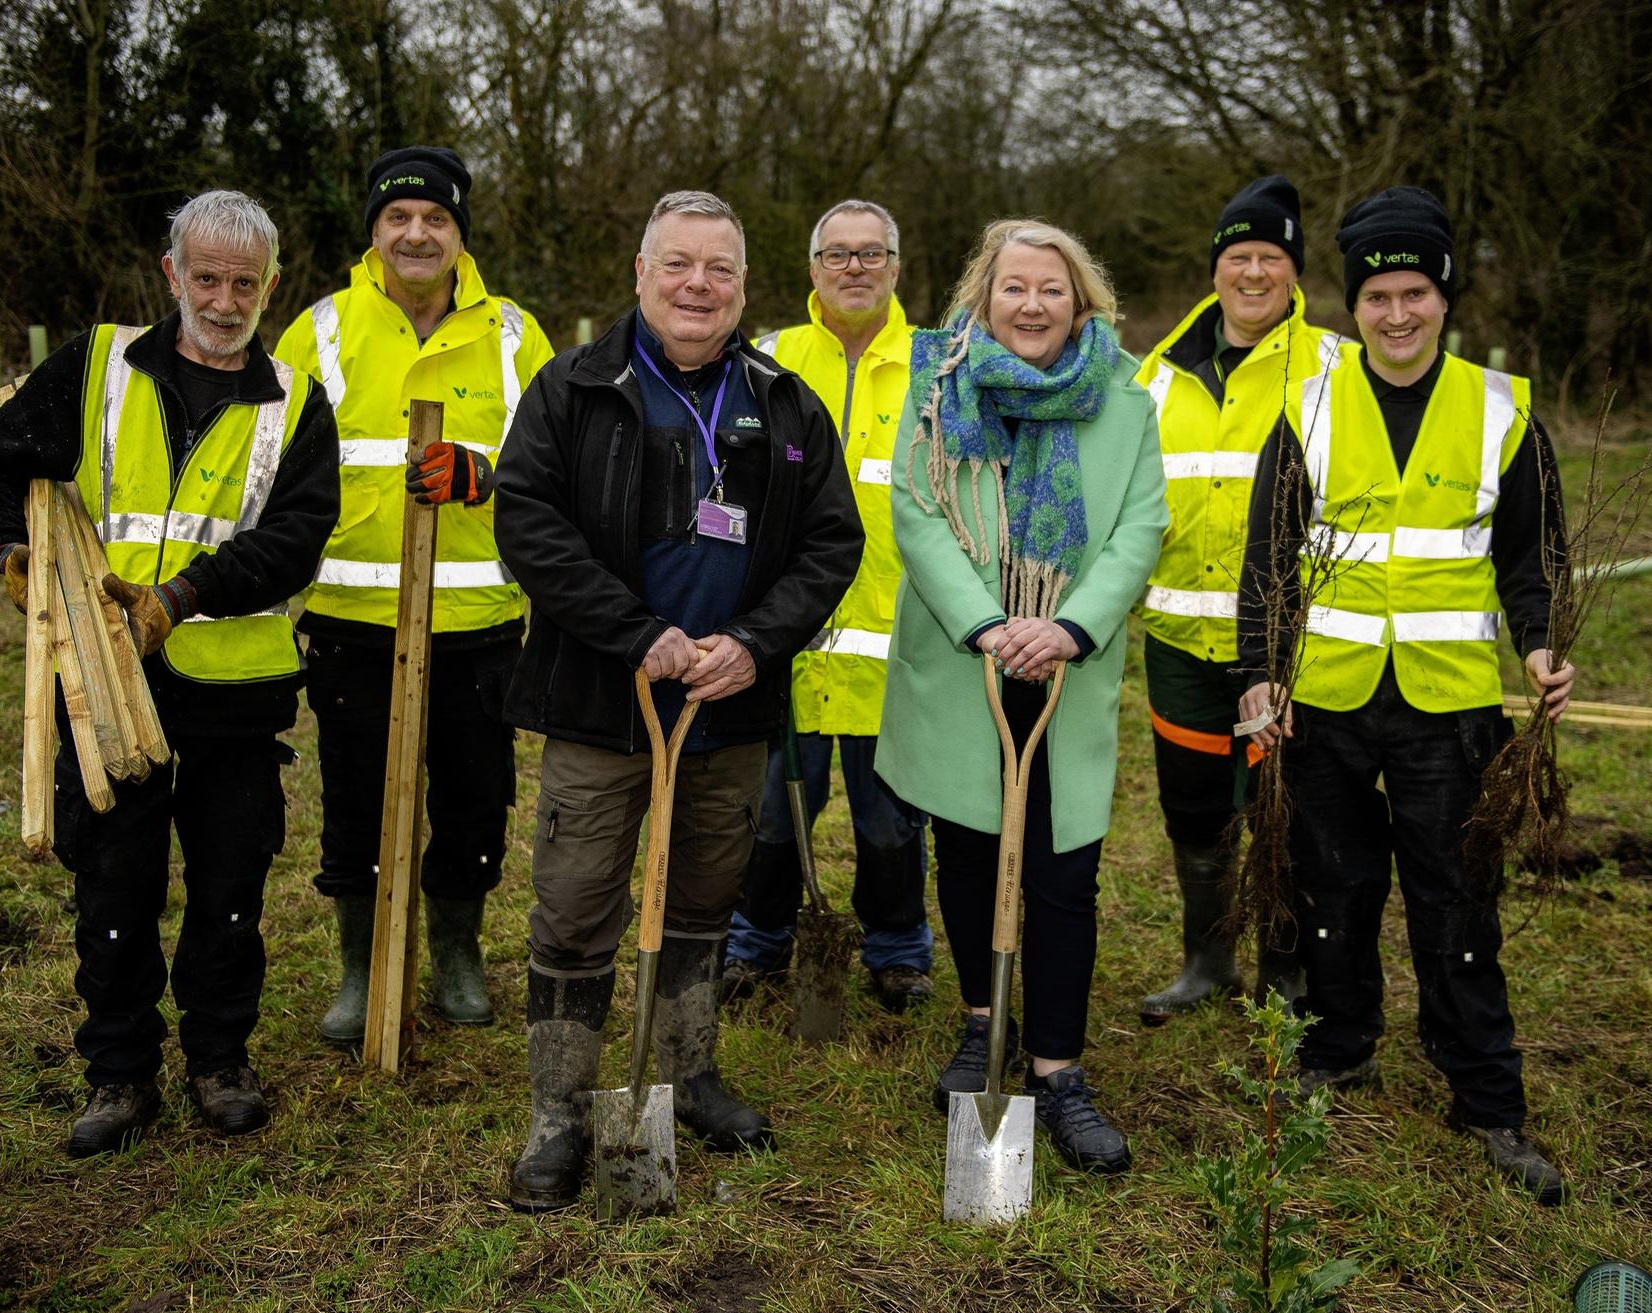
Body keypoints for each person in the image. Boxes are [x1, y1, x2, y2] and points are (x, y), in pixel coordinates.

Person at [494, 190, 863, 1211]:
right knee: (574, 908)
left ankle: (683, 1074)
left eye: (720, 270)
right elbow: (528, 524)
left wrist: (752, 643)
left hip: (729, 703)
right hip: (601, 700)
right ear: (641, 274)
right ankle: (560, 1110)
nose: (698, 286)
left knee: (704, 898)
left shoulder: (784, 400)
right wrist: (635, 634)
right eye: (678, 265)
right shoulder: (572, 388)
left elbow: (832, 542)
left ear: (746, 286)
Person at [0, 190, 339, 1155]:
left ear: (272, 288)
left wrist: (185, 595)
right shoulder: (98, 366)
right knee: (114, 885)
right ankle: (119, 1075)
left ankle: (218, 1060)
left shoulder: (295, 403)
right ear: (171, 274)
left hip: (238, 697)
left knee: (229, 887)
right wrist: (11, 554)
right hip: (100, 684)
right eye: (205, 278)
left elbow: (295, 541)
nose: (222, 300)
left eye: (243, 283)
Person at [1236, 185, 1574, 1204]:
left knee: (1455, 897)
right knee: (1330, 889)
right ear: (1354, 303)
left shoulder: (1502, 411)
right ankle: (1338, 1051)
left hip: (1452, 704)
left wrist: (1540, 646)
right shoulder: (1306, 406)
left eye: (1413, 292)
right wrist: (1261, 673)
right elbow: (1267, 559)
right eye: (1377, 294)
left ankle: (1485, 1099)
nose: (1395, 313)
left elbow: (1530, 558)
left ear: (1442, 295)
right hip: (1328, 700)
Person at [875, 220, 1166, 1173]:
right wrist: (986, 622)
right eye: (1013, 288)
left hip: (1064, 669)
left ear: (1081, 301)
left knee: (1061, 874)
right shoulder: (936, 394)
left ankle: (1058, 1069)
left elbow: (1139, 527)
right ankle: (981, 1022)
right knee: (964, 851)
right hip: (970, 664)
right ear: (982, 298)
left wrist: (1070, 626)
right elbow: (917, 513)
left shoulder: (1125, 401)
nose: (1031, 304)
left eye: (1051, 288)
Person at [273, 146, 555, 1040]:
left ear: (460, 235)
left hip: (477, 624)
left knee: (473, 800)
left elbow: (562, 466)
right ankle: (362, 967)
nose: (416, 233)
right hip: (353, 621)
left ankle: (457, 955)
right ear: (374, 231)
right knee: (355, 798)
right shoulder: (319, 331)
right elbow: (274, 469)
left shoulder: (514, 335)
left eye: (436, 218)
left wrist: (488, 473)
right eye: (398, 218)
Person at [725, 200, 934, 1013]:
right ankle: (757, 943)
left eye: (871, 253)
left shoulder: (940, 366)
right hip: (786, 643)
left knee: (891, 823)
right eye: (837, 253)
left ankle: (897, 953)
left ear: (895, 267)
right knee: (773, 814)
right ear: (811, 267)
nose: (855, 267)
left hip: (902, 643)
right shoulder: (767, 360)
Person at [1131, 177, 1331, 1019]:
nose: (1253, 273)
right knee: (1194, 817)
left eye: (1271, 258)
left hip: (1293, 648)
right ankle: (1207, 965)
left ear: (1293, 272)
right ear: (1215, 269)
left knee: (1284, 817)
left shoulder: (1333, 369)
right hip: (1178, 642)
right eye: (1238, 257)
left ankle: (1291, 977)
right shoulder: (1158, 376)